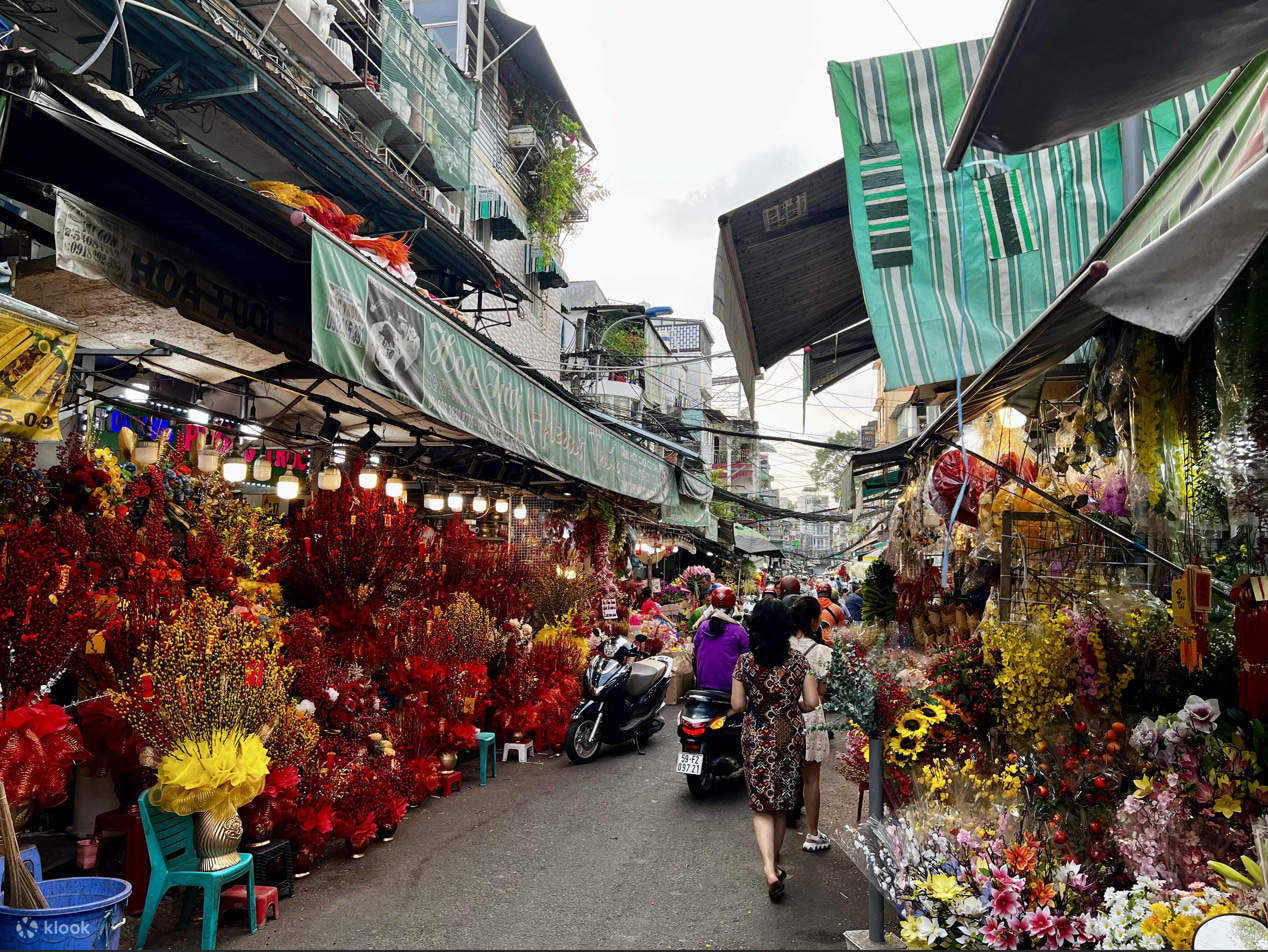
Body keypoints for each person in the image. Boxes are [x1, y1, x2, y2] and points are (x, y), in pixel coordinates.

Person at [730, 599, 819, 902]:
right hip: (789, 737)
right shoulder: (799, 662)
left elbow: (738, 705)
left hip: (756, 737)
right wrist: (790, 704)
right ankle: (776, 864)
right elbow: (811, 703)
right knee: (781, 803)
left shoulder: (744, 662)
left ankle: (769, 869)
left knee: (761, 805)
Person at [789, 596, 834, 853]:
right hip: (811, 718)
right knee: (811, 779)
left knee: (781, 774)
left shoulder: (779, 646)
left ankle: (774, 833)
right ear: (815, 622)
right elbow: (822, 691)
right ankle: (813, 834)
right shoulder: (823, 653)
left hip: (783, 715)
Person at [693, 587, 749, 692]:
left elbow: (695, 651)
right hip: (731, 687)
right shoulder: (739, 631)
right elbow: (747, 659)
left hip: (704, 684)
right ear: (732, 608)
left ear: (713, 607)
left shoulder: (703, 627)